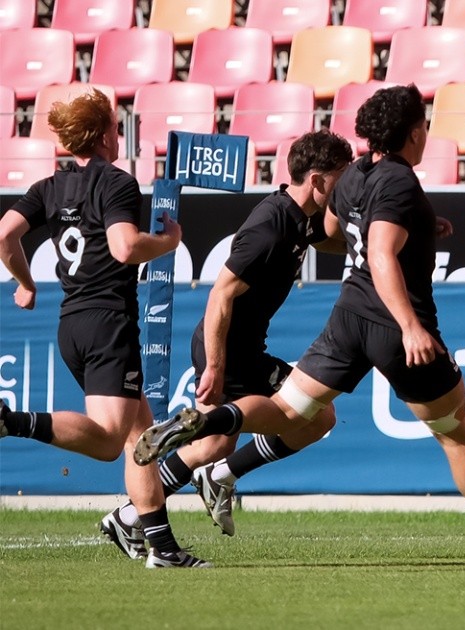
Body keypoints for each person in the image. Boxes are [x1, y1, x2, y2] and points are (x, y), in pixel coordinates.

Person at [132, 84, 465, 570]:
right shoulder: (398, 181)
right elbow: (379, 251)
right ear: (415, 133)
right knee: (455, 434)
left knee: (290, 414)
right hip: (392, 325)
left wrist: (420, 226)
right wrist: (411, 326)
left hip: (346, 320)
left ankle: (208, 421)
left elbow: (338, 233)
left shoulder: (354, 179)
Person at [99, 130, 354, 555]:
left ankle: (130, 516)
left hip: (245, 347)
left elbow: (329, 239)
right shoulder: (271, 225)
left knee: (214, 443)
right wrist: (215, 368)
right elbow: (221, 294)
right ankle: (214, 479)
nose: (346, 185)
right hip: (228, 348)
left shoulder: (300, 218)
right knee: (317, 415)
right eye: (341, 177)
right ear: (317, 179)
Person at [0, 89, 209, 568]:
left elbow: (4, 235)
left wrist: (26, 282)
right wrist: (168, 241)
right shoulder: (116, 182)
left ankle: (163, 547)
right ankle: (12, 421)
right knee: (111, 439)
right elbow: (124, 248)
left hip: (71, 322)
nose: (120, 134)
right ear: (104, 134)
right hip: (108, 322)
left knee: (142, 437)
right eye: (116, 126)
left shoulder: (49, 187)